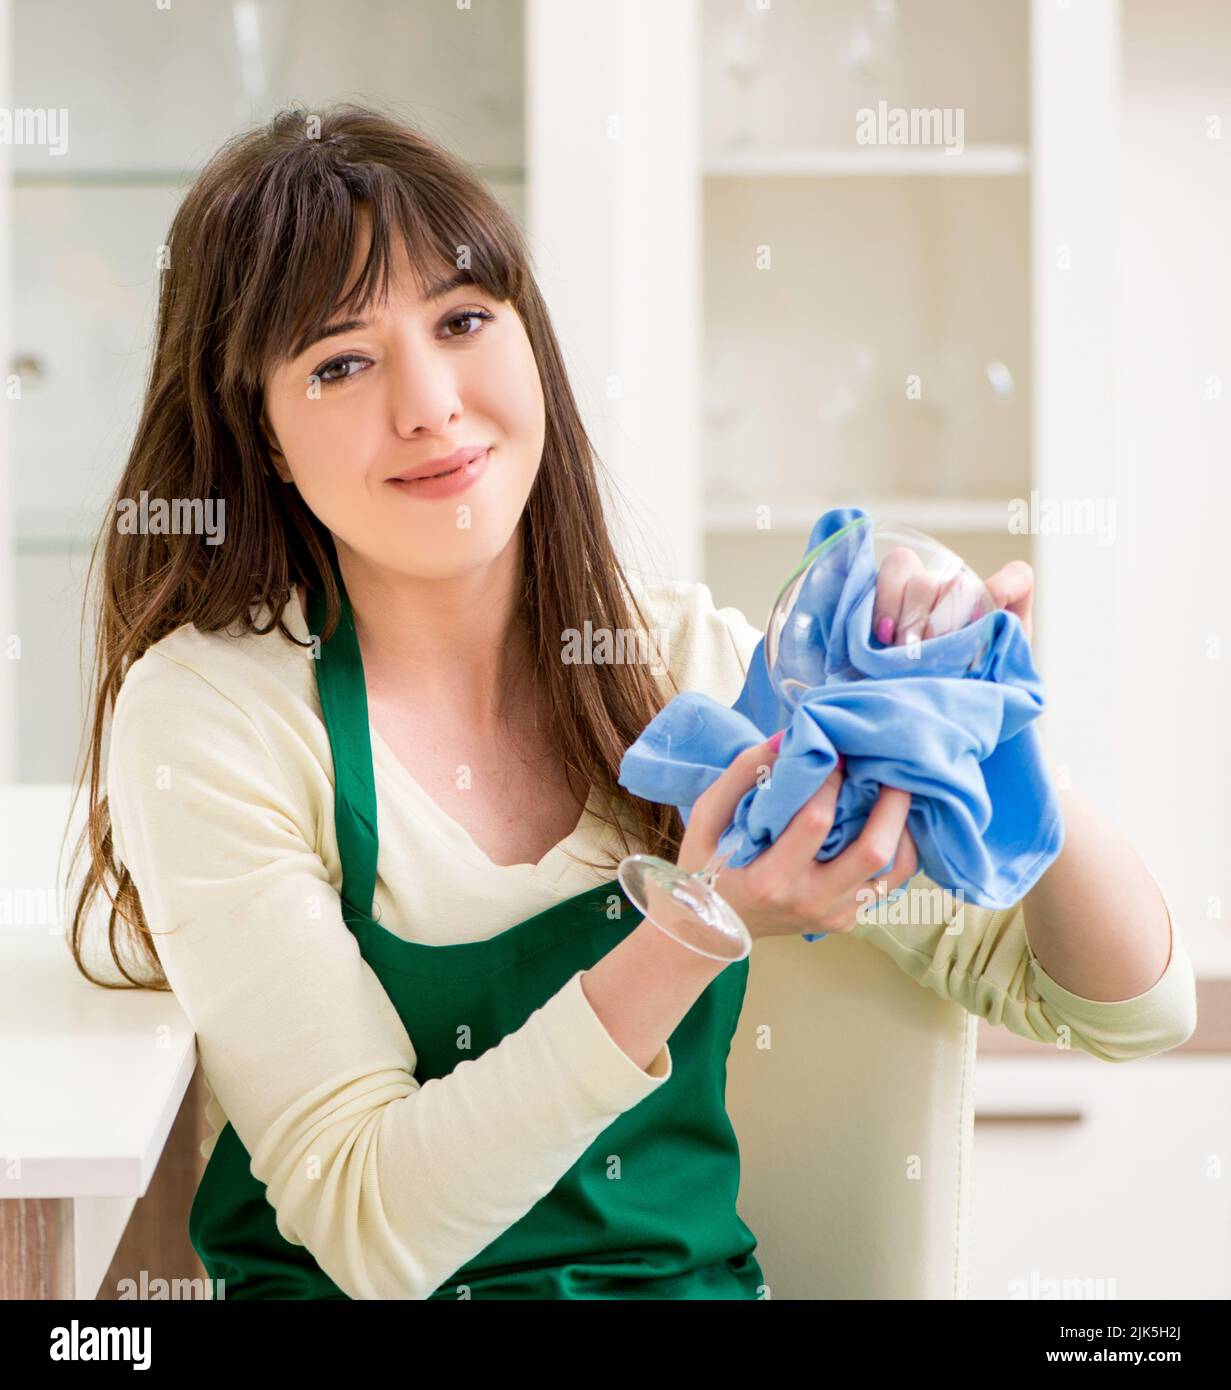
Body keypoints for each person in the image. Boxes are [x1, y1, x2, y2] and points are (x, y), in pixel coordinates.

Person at [67, 101, 1196, 1301]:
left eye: (463, 320)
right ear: (267, 440)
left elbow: (1128, 1009)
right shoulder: (216, 716)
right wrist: (695, 927)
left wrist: (972, 706)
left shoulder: (684, 668)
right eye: (340, 362)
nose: (430, 402)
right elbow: (370, 1224)